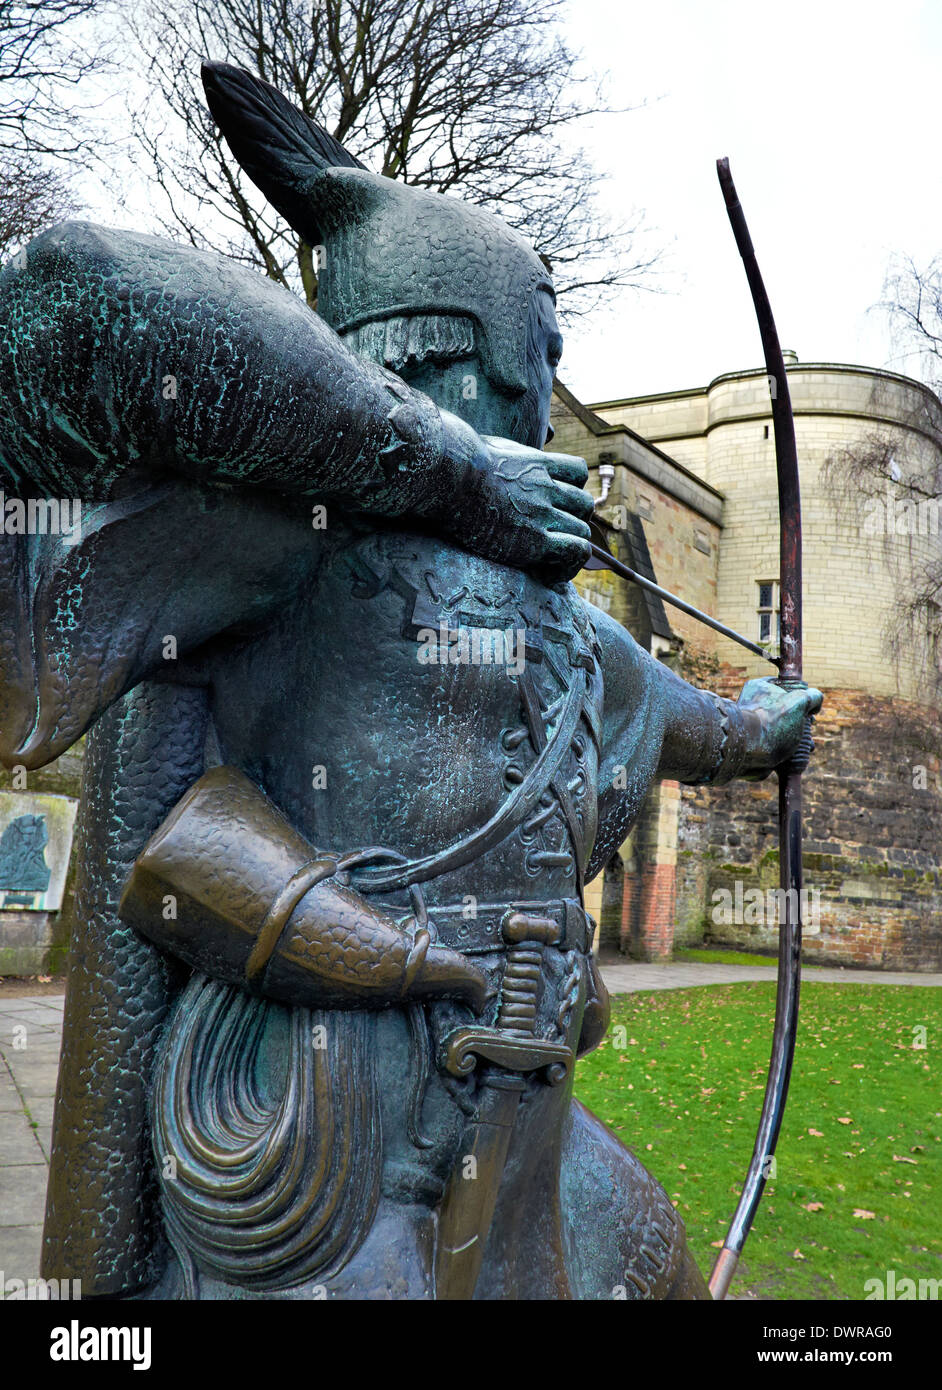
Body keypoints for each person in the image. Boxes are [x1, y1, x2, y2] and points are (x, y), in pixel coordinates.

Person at [0, 64, 821, 1300]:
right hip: (313, 1123)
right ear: (484, 343)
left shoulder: (562, 621)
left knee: (642, 1260)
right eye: (545, 351)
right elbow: (76, 291)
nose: (550, 392)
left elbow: (694, 721)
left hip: (516, 1102)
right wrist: (455, 471)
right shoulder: (293, 536)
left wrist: (763, 726)